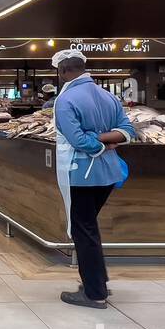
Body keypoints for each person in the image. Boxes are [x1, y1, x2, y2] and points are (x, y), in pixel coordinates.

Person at [51, 48, 136, 309]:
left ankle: (94, 293)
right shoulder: (108, 96)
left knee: (83, 231)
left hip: (81, 174)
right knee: (89, 227)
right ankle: (98, 281)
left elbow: (78, 140)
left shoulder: (65, 101)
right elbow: (126, 132)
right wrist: (107, 140)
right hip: (109, 174)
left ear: (63, 71)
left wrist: (94, 141)